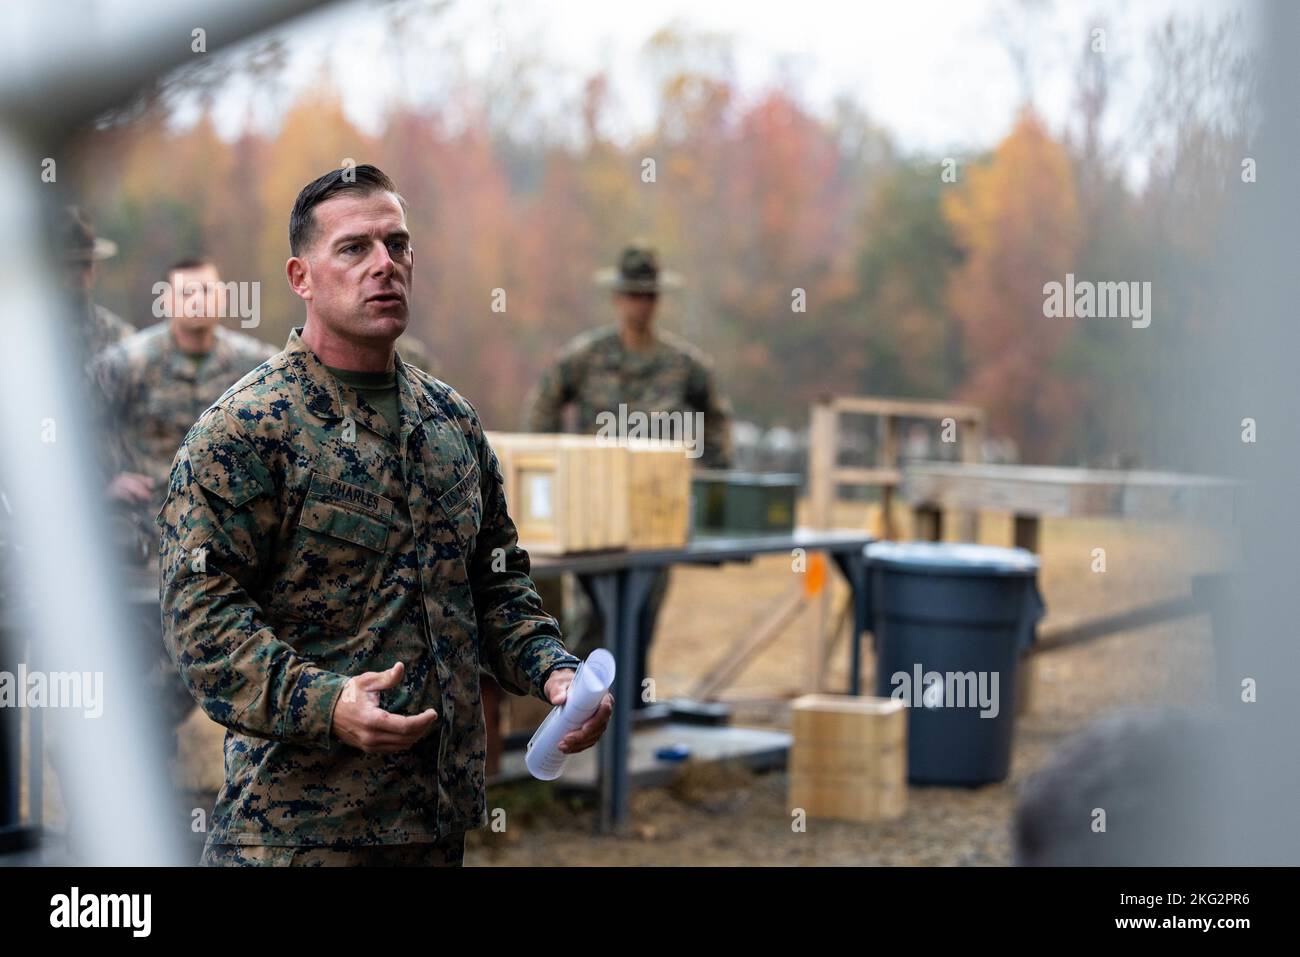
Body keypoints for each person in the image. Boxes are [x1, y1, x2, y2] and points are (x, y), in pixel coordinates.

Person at [158, 164, 610, 866]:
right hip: (297, 832)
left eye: (397, 245)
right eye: (354, 248)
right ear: (301, 276)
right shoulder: (246, 430)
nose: (384, 265)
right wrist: (326, 701)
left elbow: (496, 587)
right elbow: (201, 622)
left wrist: (554, 670)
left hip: (434, 823)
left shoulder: (450, 422)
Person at [524, 245, 734, 706]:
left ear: (657, 301)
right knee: (590, 622)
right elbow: (544, 404)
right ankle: (574, 713)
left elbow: (716, 415)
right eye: (633, 295)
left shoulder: (683, 364)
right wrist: (548, 472)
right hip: (594, 512)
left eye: (648, 296)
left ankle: (631, 717)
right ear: (618, 298)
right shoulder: (587, 356)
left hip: (654, 514)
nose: (640, 304)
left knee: (642, 617)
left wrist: (715, 477)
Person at [91, 256, 276, 521]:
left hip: (231, 525)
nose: (198, 301)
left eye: (206, 290)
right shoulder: (128, 362)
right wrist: (103, 481)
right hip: (152, 526)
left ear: (223, 297)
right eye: (187, 292)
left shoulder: (255, 364)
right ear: (166, 300)